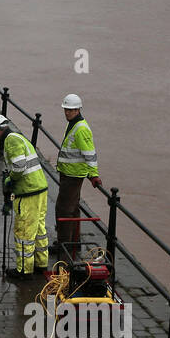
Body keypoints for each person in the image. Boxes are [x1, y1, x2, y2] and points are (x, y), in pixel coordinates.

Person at [0, 114, 48, 280]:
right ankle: (41, 264)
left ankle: (24, 270)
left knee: (24, 232)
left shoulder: (10, 141)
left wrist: (9, 179)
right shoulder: (18, 137)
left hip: (28, 192)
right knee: (39, 229)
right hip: (39, 188)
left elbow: (19, 167)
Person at [54, 93, 101, 254]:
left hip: (73, 175)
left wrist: (93, 174)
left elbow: (90, 153)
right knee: (72, 209)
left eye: (71, 110)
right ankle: (74, 243)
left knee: (64, 209)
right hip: (69, 173)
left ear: (78, 110)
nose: (67, 113)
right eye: (66, 110)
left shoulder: (80, 128)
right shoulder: (74, 124)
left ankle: (64, 245)